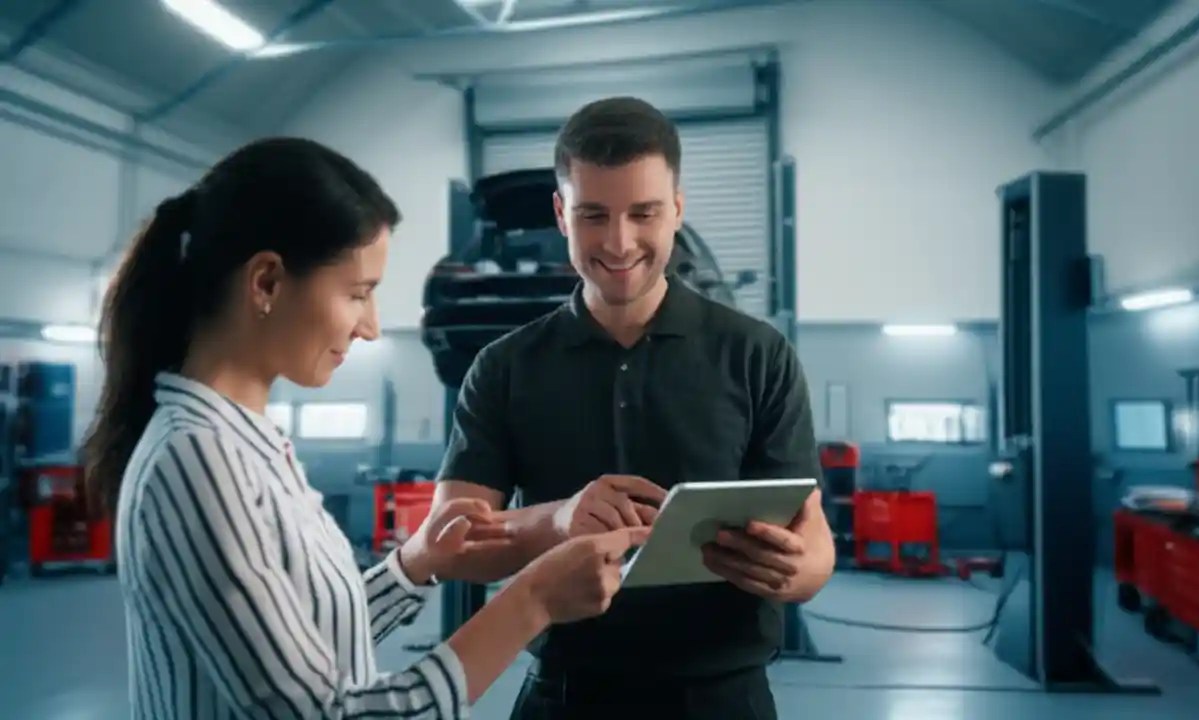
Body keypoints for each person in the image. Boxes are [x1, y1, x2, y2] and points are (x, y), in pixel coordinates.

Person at [83, 137, 648, 720]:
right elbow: (331, 714)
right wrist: (532, 601)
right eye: (358, 294)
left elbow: (310, 646)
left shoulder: (243, 445)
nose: (372, 328)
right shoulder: (198, 460)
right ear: (267, 283)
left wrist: (415, 564)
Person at [433, 97, 836, 720]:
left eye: (643, 213)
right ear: (561, 213)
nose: (619, 243)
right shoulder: (504, 367)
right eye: (594, 215)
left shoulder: (758, 356)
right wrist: (557, 520)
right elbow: (454, 543)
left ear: (677, 208)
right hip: (566, 695)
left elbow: (815, 545)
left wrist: (794, 571)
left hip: (724, 700)